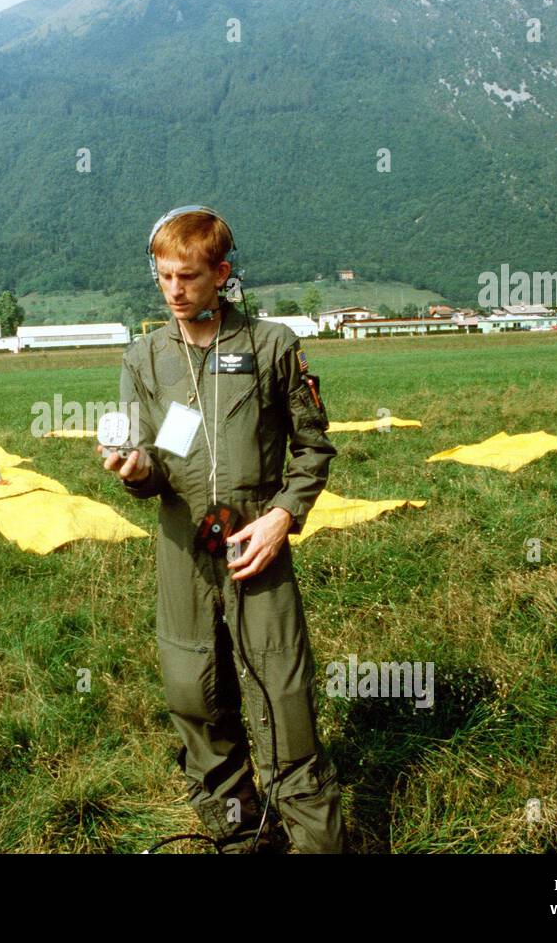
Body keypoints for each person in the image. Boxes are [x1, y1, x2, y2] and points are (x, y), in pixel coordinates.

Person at [99, 206, 347, 853]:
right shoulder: (145, 359)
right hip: (184, 551)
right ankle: (242, 838)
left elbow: (313, 450)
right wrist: (133, 469)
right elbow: (152, 466)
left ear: (222, 274)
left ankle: (316, 842)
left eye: (187, 276)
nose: (174, 291)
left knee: (283, 701)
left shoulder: (272, 347)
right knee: (194, 696)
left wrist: (282, 518)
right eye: (162, 278)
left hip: (255, 546)